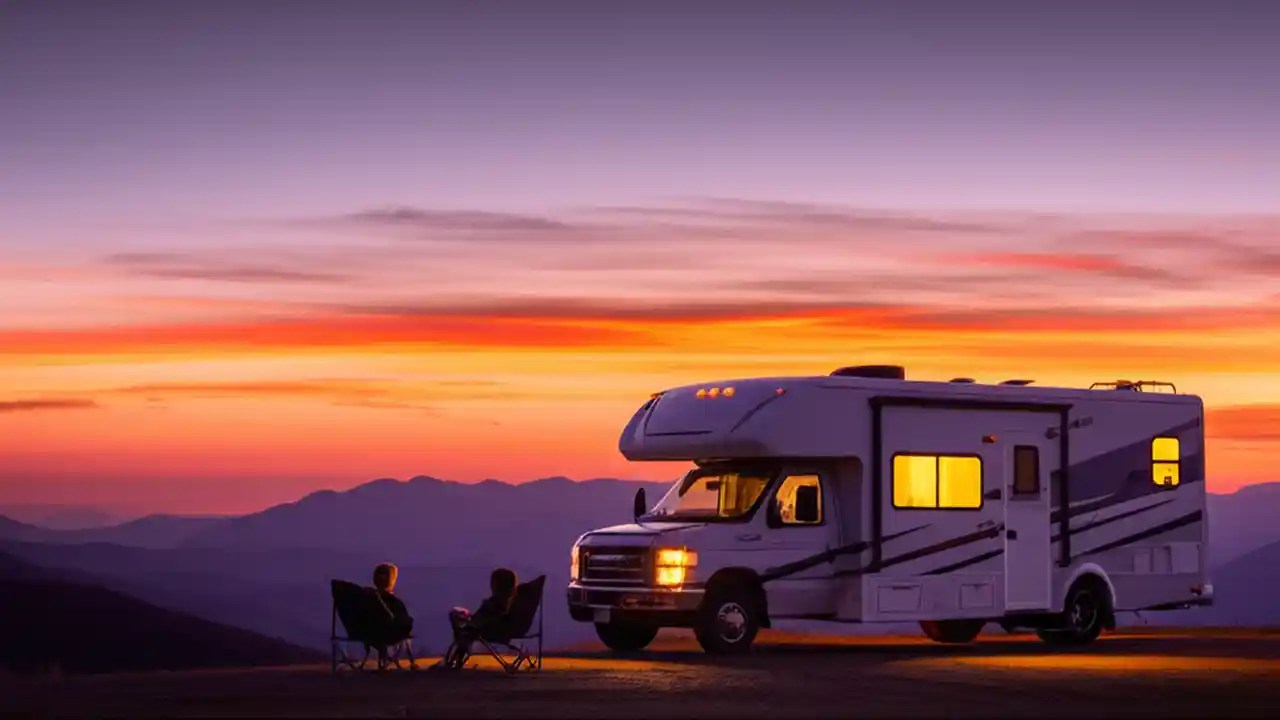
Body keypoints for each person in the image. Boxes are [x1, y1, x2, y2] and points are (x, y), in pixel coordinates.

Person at [441, 567, 518, 669]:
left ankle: (455, 659)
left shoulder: (494, 604)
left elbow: (482, 620)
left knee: (460, 625)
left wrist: (470, 622)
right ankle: (456, 658)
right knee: (463, 627)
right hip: (491, 627)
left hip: (485, 629)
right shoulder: (508, 603)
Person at [372, 563, 414, 647]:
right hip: (386, 634)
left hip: (366, 633)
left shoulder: (364, 597)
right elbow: (404, 624)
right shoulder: (394, 602)